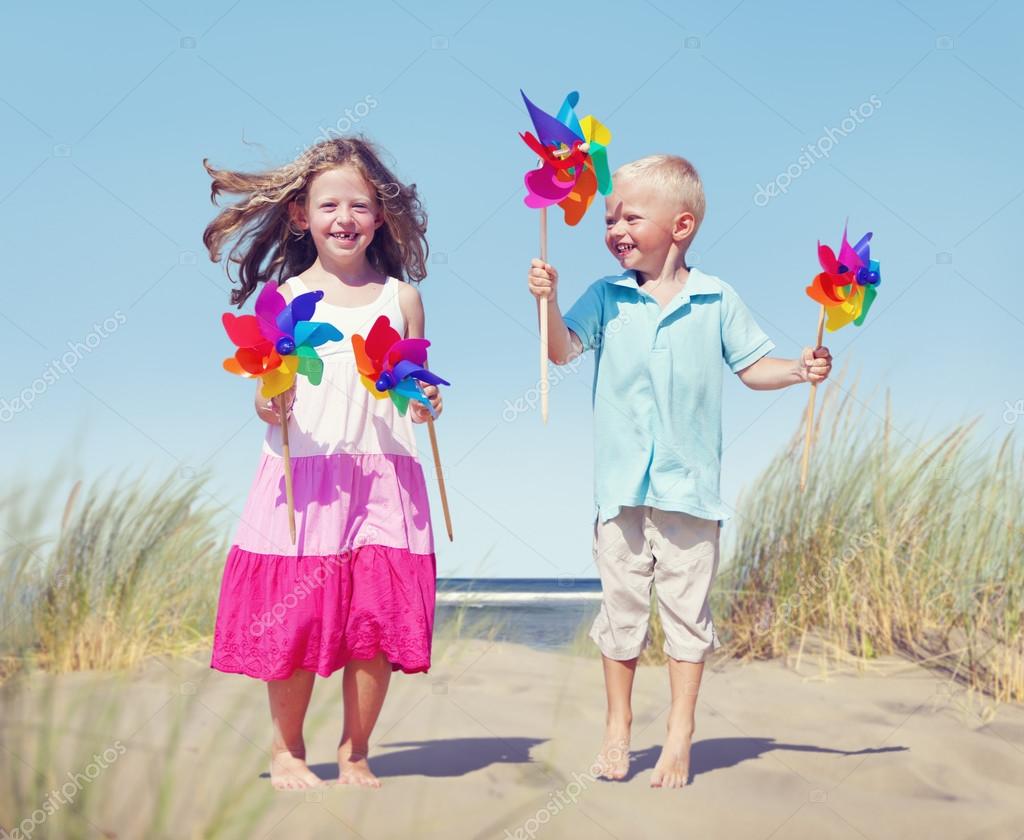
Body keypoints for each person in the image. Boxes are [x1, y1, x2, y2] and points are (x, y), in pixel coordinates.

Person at [526, 154, 832, 788]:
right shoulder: (603, 296)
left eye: (629, 215)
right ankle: (617, 729)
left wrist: (800, 368)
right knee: (621, 613)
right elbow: (560, 351)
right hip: (619, 490)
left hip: (691, 490)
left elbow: (753, 369)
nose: (613, 227)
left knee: (688, 616)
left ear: (681, 225)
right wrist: (547, 303)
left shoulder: (717, 297)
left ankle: (680, 732)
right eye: (608, 217)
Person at [203, 136, 442, 790]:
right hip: (302, 474)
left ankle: (356, 751)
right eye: (329, 204)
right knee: (295, 617)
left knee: (374, 622)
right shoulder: (285, 295)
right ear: (302, 216)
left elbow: (413, 383)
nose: (345, 217)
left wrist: (426, 405)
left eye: (360, 205)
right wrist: (268, 403)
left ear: (381, 217)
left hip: (385, 474)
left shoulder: (403, 298)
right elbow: (266, 387)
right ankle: (287, 750)